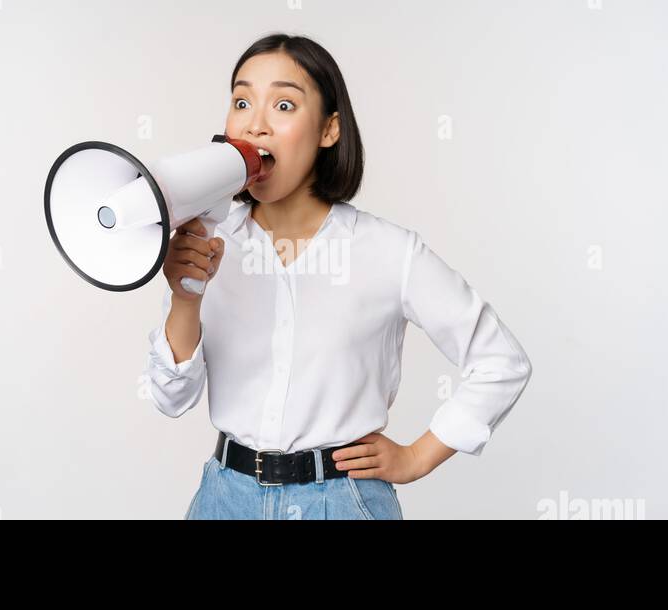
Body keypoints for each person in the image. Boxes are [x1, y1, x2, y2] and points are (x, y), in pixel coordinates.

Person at [143, 33, 533, 520]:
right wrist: (185, 298)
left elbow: (501, 361)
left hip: (342, 503)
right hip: (224, 500)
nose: (256, 124)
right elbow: (170, 399)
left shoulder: (389, 252)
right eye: (241, 101)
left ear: (329, 130)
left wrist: (417, 456)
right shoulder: (206, 240)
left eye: (283, 104)